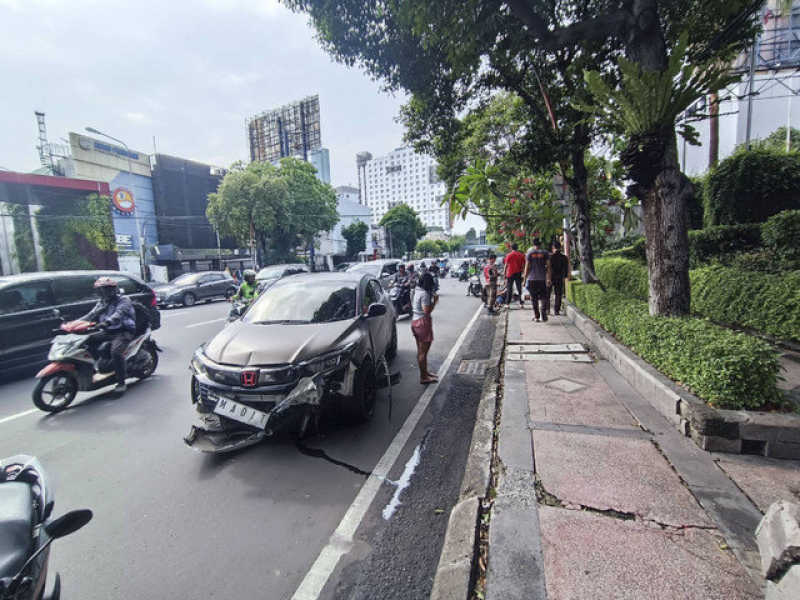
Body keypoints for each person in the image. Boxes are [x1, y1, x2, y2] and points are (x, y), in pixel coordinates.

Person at [81, 277, 137, 394]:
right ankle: (99, 366)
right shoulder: (102, 302)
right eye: (101, 290)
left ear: (113, 289)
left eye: (106, 289)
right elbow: (90, 315)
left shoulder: (123, 300)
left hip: (123, 331)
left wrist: (107, 322)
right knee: (86, 340)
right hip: (109, 331)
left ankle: (121, 382)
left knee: (116, 352)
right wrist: (72, 324)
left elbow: (119, 314)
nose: (104, 292)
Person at [411, 272, 438, 384]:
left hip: (415, 321)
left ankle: (425, 373)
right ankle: (423, 377)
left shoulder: (416, 290)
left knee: (420, 351)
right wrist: (435, 302)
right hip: (422, 322)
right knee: (423, 352)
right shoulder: (425, 294)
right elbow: (426, 311)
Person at [523, 238, 551, 322]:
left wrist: (524, 279)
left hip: (532, 279)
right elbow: (549, 266)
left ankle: (537, 316)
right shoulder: (545, 253)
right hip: (542, 279)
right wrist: (548, 278)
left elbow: (527, 267)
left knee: (534, 298)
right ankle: (543, 312)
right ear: (540, 244)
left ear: (533, 244)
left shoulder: (530, 253)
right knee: (543, 297)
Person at [549, 241, 569, 316]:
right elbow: (566, 268)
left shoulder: (550, 257)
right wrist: (565, 276)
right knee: (558, 294)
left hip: (551, 277)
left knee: (548, 293)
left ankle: (547, 309)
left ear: (553, 248)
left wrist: (547, 277)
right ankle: (556, 310)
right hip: (560, 277)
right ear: (560, 248)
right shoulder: (564, 257)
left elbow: (548, 268)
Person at [504, 243, 526, 308]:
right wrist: (523, 272)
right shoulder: (521, 255)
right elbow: (524, 265)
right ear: (517, 247)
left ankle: (507, 304)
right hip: (518, 273)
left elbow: (506, 265)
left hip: (510, 273)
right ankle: (521, 303)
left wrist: (504, 274)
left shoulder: (509, 255)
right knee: (519, 288)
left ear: (511, 248)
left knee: (509, 288)